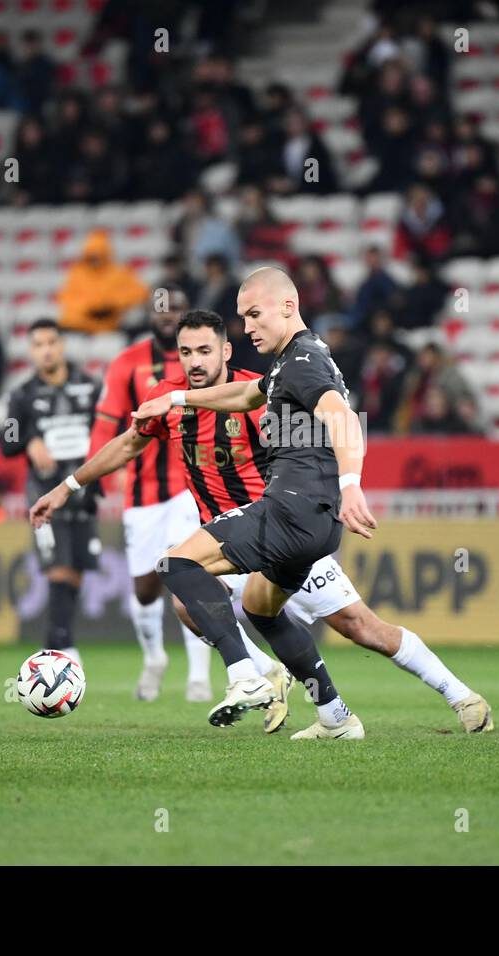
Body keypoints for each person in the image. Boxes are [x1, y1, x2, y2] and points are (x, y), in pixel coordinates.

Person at [31, 310, 491, 734]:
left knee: (359, 625)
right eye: (186, 352)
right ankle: (272, 680)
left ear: (226, 351)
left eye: (204, 350)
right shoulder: (166, 398)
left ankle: (461, 696)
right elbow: (129, 445)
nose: (194, 360)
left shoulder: (261, 393)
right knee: (189, 600)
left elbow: (326, 434)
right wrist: (66, 486)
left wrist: (339, 487)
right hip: (228, 536)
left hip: (275, 529)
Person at [115, 268, 369, 738]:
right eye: (242, 317)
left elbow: (344, 419)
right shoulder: (291, 360)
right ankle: (335, 716)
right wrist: (177, 399)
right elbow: (242, 394)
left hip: (291, 508)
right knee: (259, 609)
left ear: (288, 307)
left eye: (254, 315)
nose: (247, 327)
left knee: (175, 564)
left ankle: (245, 677)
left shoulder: (303, 362)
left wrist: (352, 483)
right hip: (315, 518)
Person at [87, 286, 213, 701]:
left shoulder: (200, 360)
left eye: (174, 309)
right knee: (145, 588)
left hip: (188, 489)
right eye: (160, 309)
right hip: (141, 493)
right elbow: (107, 423)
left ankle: (199, 676)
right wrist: (102, 478)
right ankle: (155, 657)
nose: (166, 315)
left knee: (189, 578)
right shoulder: (128, 362)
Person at [0, 320, 100, 664]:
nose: (46, 349)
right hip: (45, 497)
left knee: (75, 570)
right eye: (38, 343)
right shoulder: (22, 394)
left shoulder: (91, 386)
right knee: (57, 568)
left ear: (62, 345)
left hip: (85, 495)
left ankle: (60, 643)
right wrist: (28, 442)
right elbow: (6, 442)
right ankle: (60, 648)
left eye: (51, 342)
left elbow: (109, 430)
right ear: (31, 351)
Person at [57, 230, 148, 334]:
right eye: (92, 255)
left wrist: (112, 304)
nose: (95, 259)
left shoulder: (119, 272)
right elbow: (66, 298)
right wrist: (89, 308)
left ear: (106, 254)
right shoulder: (76, 274)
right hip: (81, 324)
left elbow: (140, 293)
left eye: (99, 255)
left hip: (112, 323)